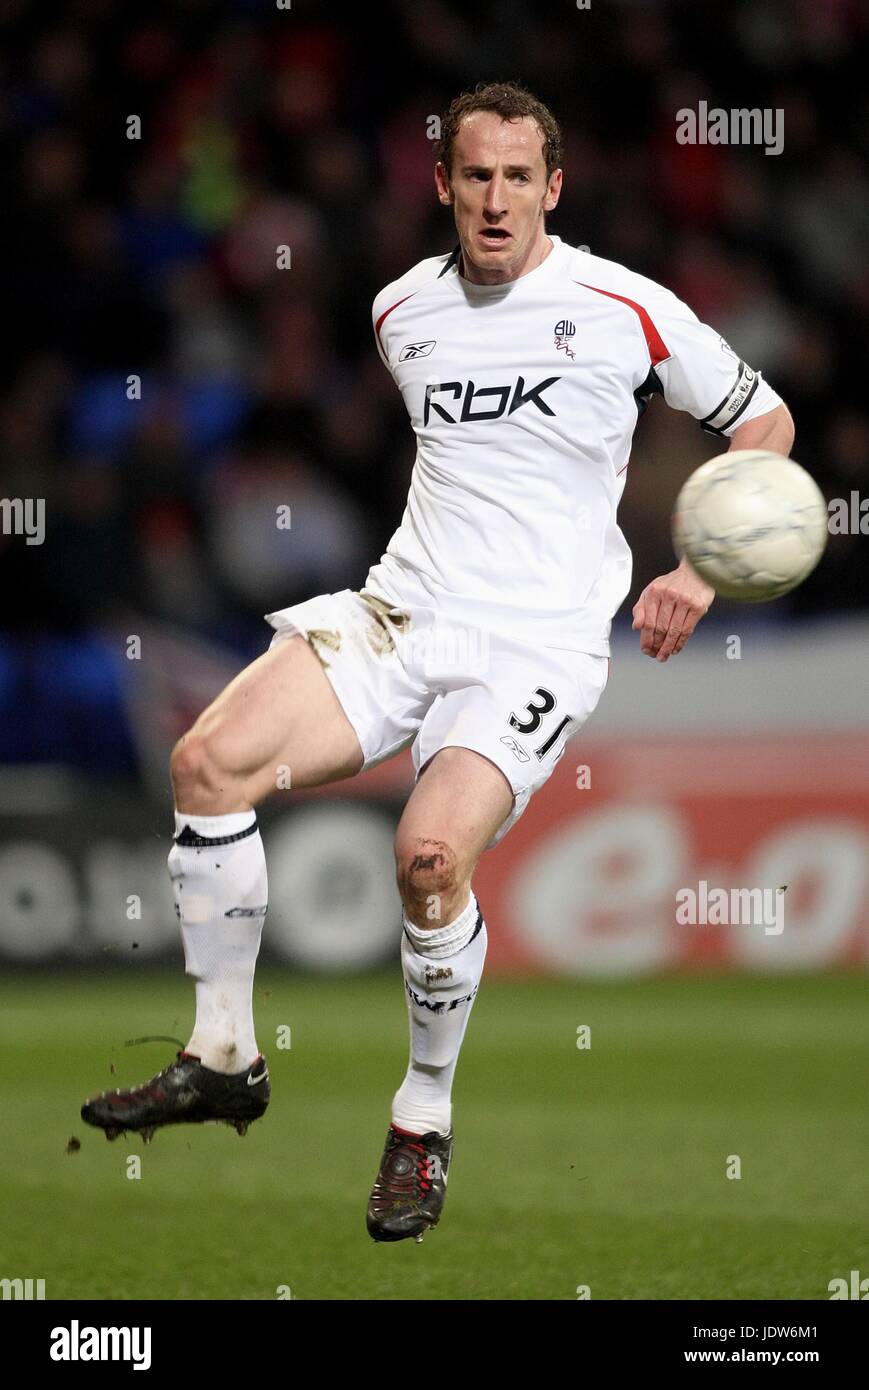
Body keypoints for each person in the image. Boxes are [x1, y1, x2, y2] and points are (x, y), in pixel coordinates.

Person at [81, 81, 795, 1243]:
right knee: (206, 764)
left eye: (520, 177)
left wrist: (699, 567)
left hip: (536, 642)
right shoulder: (399, 312)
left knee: (424, 858)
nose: (497, 199)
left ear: (553, 188)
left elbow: (763, 425)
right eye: (476, 176)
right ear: (442, 184)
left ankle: (420, 1119)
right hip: (403, 611)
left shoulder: (625, 306)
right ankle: (220, 1054)